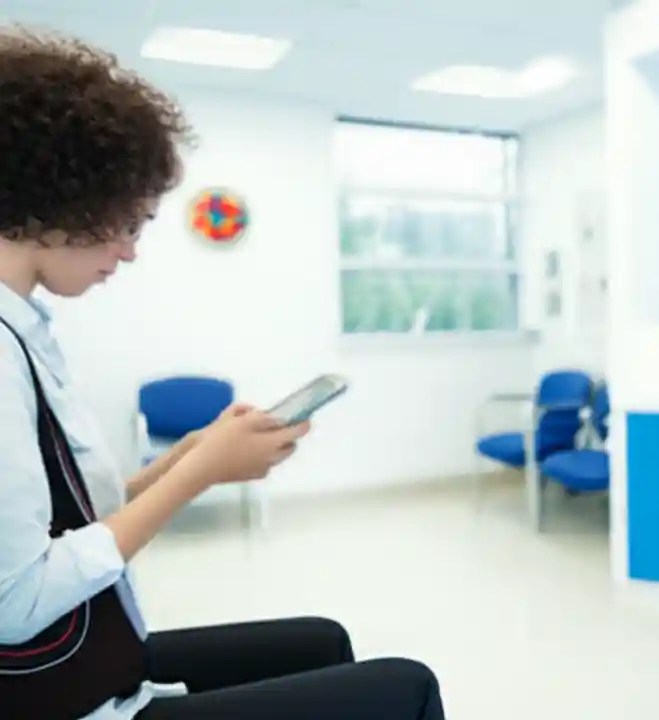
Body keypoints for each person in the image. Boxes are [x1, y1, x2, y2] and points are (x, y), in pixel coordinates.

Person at [0, 28, 445, 719]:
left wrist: (186, 457)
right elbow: (18, 602)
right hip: (64, 700)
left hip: (96, 661)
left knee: (324, 641)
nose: (130, 251)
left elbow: (65, 518)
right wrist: (197, 476)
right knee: (406, 687)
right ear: (59, 198)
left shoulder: (24, 331)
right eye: (128, 222)